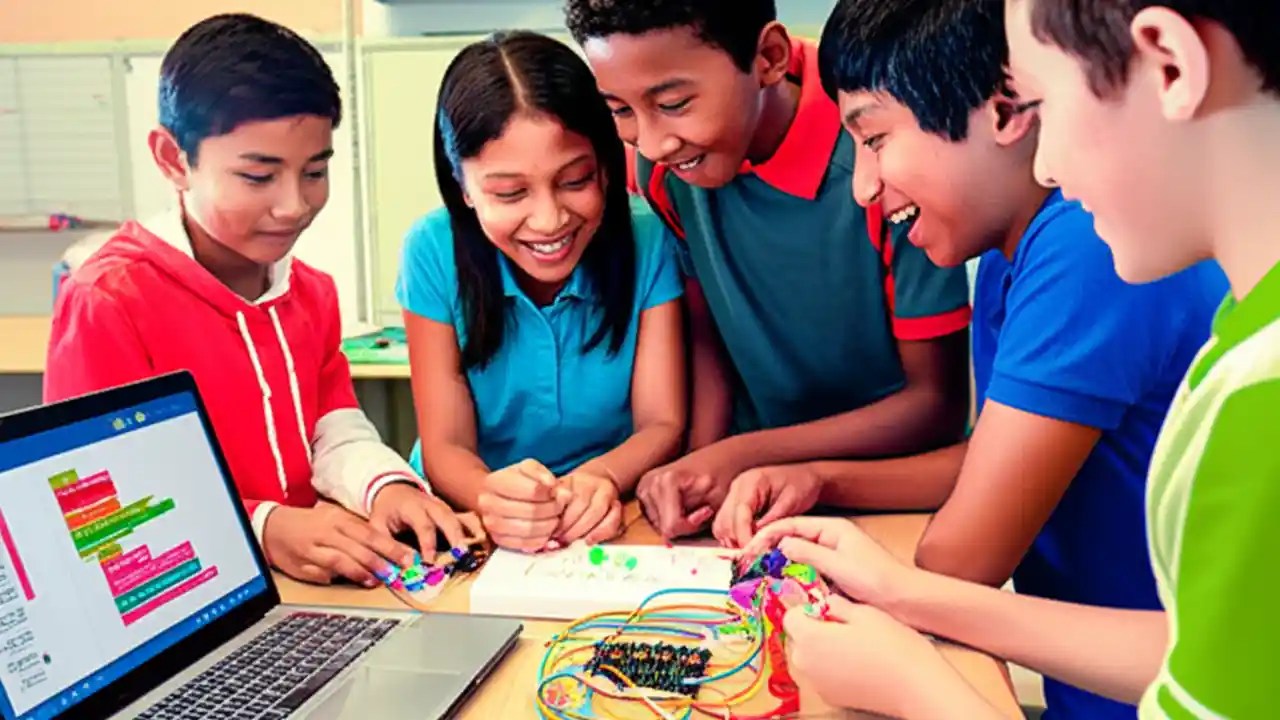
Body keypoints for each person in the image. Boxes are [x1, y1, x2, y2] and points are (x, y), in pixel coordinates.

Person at [747, 0, 1280, 718]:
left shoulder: (1248, 385)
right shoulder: (1239, 340)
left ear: (1171, 64)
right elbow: (1202, 648)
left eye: (1041, 101)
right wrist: (902, 591)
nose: (1048, 163)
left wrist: (913, 686)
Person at [44, 14, 469, 589]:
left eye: (315, 171)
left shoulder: (310, 291)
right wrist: (263, 527)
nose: (294, 205)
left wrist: (382, 484)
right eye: (257, 176)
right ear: (173, 159)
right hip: (185, 606)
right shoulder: (109, 301)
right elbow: (99, 514)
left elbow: (332, 425)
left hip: (301, 596)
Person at [563, 0, 974, 539]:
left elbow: (936, 406)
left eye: (675, 103)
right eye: (620, 109)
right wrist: (698, 461)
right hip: (751, 498)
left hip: (894, 495)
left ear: (770, 58)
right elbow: (710, 329)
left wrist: (741, 454)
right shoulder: (666, 167)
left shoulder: (881, 157)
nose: (653, 142)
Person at [397, 31, 686, 553]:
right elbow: (446, 447)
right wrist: (491, 497)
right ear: (462, 186)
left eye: (575, 180)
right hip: (474, 516)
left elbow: (662, 421)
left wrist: (601, 479)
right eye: (509, 193)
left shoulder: (649, 238)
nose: (549, 220)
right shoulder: (431, 249)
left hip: (604, 509)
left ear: (605, 164)